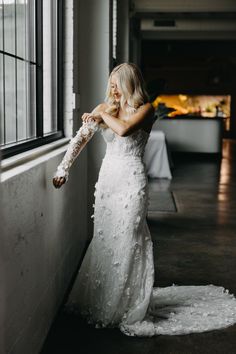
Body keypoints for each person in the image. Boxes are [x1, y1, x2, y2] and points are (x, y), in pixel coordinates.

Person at [53, 63, 236, 337]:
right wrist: (63, 168)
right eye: (110, 84)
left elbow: (124, 130)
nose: (112, 89)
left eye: (117, 84)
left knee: (129, 238)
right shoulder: (107, 108)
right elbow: (81, 138)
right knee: (106, 240)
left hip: (132, 180)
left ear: (130, 84)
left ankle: (128, 305)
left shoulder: (145, 110)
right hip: (108, 182)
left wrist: (100, 115)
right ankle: (103, 302)